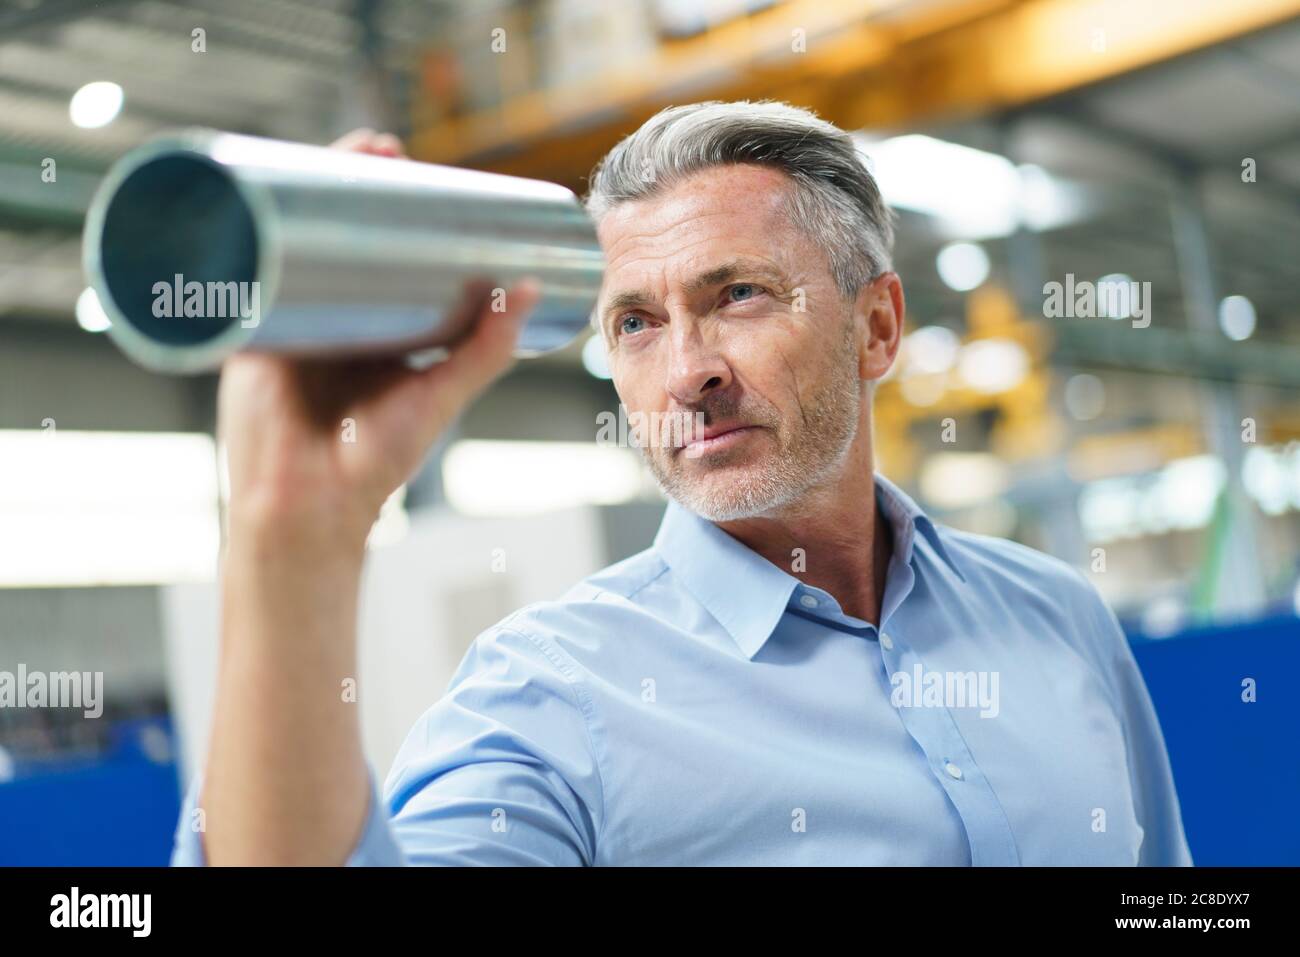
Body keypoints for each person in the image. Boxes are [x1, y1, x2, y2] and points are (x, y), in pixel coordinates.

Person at [173, 103, 1192, 866]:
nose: (687, 372)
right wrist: (289, 543)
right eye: (636, 323)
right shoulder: (550, 697)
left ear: (876, 326)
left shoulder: (1055, 618)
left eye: (738, 294)